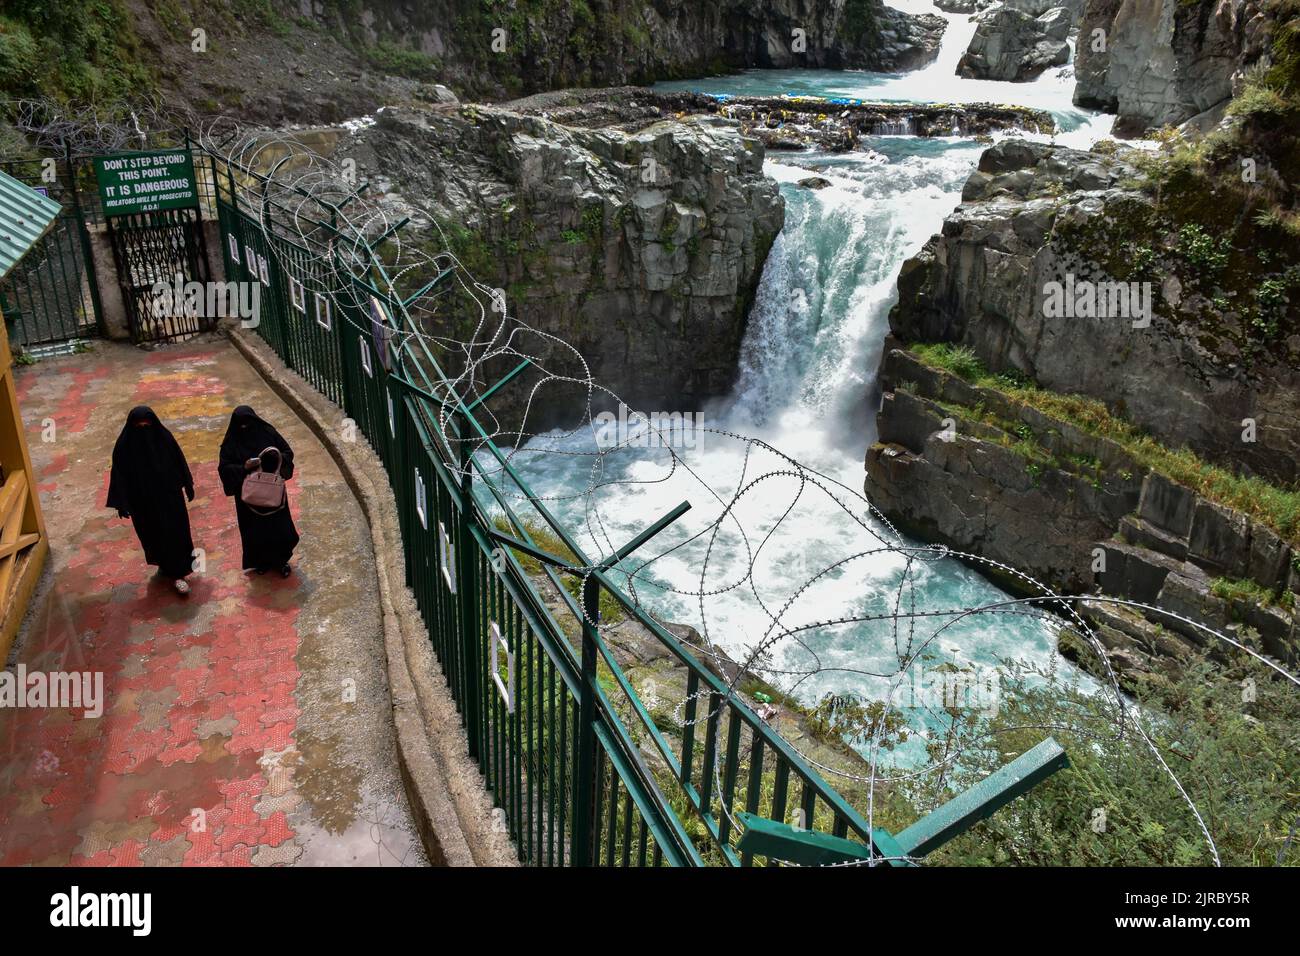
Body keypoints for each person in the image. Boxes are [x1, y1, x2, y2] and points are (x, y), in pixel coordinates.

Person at [106, 406, 196, 595]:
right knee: (153, 535)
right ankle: (165, 566)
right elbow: (119, 475)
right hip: (143, 503)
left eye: (147, 426)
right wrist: (122, 503)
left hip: (170, 498)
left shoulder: (164, 438)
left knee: (176, 534)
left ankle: (178, 573)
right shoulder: (124, 446)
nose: (144, 431)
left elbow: (179, 460)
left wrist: (188, 484)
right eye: (139, 427)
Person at [218, 405, 299, 576]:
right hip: (248, 497)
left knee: (279, 528)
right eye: (241, 425)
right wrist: (244, 467)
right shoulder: (231, 442)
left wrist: (271, 459)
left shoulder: (268, 433)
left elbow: (286, 452)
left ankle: (281, 561)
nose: (245, 428)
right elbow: (224, 467)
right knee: (254, 531)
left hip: (272, 491)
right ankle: (261, 561)